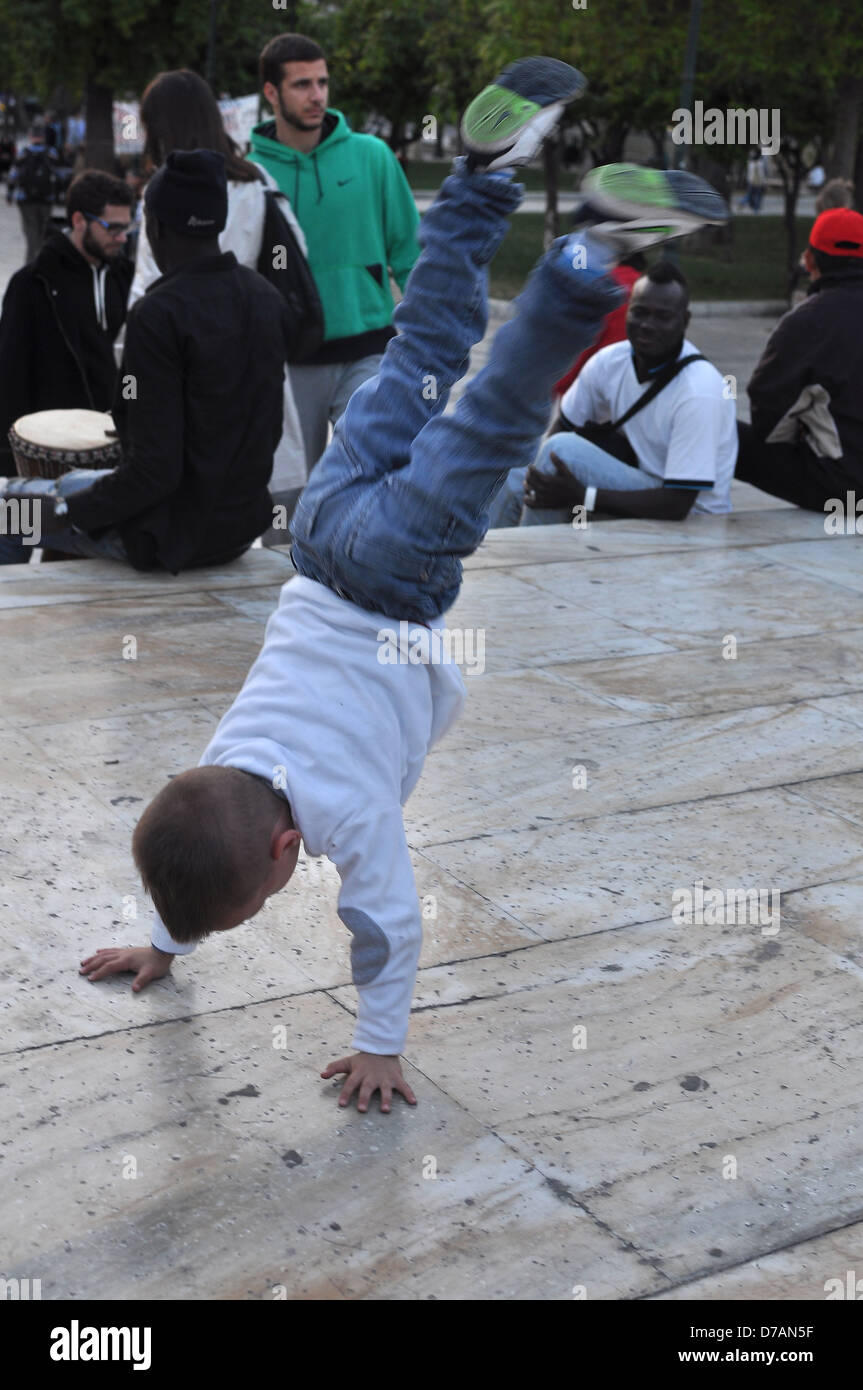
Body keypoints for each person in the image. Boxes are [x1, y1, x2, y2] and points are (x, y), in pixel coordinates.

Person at [76, 60, 723, 1114]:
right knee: (422, 347)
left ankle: (593, 250)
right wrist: (166, 935)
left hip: (395, 573)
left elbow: (387, 924)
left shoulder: (346, 814)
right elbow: (189, 837)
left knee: (502, 407)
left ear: (291, 849)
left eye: (265, 896)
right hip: (323, 530)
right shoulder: (220, 765)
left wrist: (381, 1041)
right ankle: (477, 176)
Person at [0, 150, 291, 570]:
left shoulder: (158, 314)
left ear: (154, 226)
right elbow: (268, 430)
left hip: (171, 535)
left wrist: (67, 514)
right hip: (240, 525)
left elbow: (154, 474)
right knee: (61, 490)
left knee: (12, 509)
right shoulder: (266, 298)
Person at [128, 69, 307, 528]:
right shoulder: (259, 181)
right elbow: (295, 256)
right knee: (277, 520)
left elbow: (147, 289)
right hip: (257, 360)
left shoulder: (162, 194)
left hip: (186, 371)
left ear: (161, 125)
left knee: (188, 520)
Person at [249, 32, 421, 493]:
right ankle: (284, 568)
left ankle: (360, 565)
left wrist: (433, 333)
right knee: (284, 493)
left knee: (372, 478)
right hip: (287, 360)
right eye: (302, 84)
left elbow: (409, 251)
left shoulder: (373, 157)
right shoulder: (251, 174)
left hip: (368, 348)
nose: (317, 95)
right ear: (272, 92)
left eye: (322, 82)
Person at [489, 256, 736, 527]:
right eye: (640, 312)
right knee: (512, 474)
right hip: (636, 487)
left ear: (684, 320)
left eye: (662, 316)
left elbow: (677, 504)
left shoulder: (699, 390)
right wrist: (544, 480)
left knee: (563, 452)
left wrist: (584, 496)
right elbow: (562, 427)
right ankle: (482, 561)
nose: (647, 325)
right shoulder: (611, 361)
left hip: (692, 519)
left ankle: (536, 565)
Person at [0, 170, 133, 491]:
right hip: (42, 446)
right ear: (78, 220)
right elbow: (9, 371)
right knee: (23, 533)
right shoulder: (33, 283)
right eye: (112, 228)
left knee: (80, 539)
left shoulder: (123, 276)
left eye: (126, 228)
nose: (122, 237)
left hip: (102, 443)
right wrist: (9, 457)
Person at [735, 207, 863, 511]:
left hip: (844, 490)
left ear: (810, 261)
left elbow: (767, 412)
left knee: (718, 429)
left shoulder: (807, 322)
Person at [552, 252, 646, 399]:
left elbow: (580, 350)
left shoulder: (602, 287)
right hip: (637, 395)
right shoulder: (650, 290)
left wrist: (556, 385)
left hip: (592, 398)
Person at [6, 117, 60, 261]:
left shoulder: (23, 153)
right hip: (46, 198)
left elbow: (14, 174)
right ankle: (41, 261)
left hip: (26, 199)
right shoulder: (51, 152)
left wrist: (10, 194)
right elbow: (58, 174)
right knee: (44, 232)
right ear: (43, 136)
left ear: (30, 136)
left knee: (31, 232)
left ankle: (31, 265)